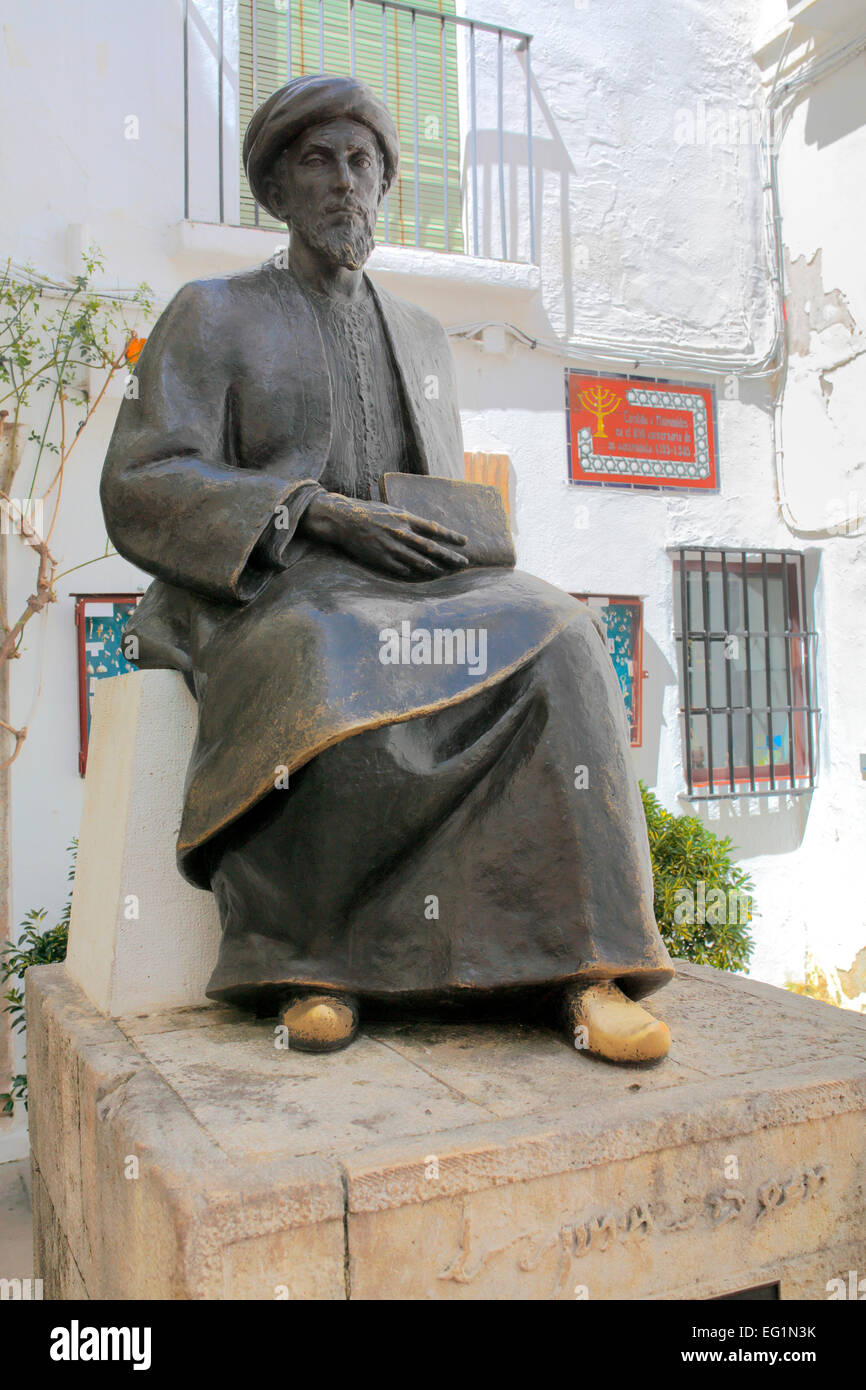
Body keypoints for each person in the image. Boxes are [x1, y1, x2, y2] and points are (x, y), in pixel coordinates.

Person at [101, 74, 673, 1063]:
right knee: (324, 651)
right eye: (317, 162)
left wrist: (450, 535)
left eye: (360, 162)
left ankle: (586, 960)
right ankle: (313, 961)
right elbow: (145, 477)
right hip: (275, 582)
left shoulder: (416, 332)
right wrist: (310, 510)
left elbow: (428, 482)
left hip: (408, 581)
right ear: (276, 191)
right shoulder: (212, 311)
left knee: (562, 635)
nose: (344, 182)